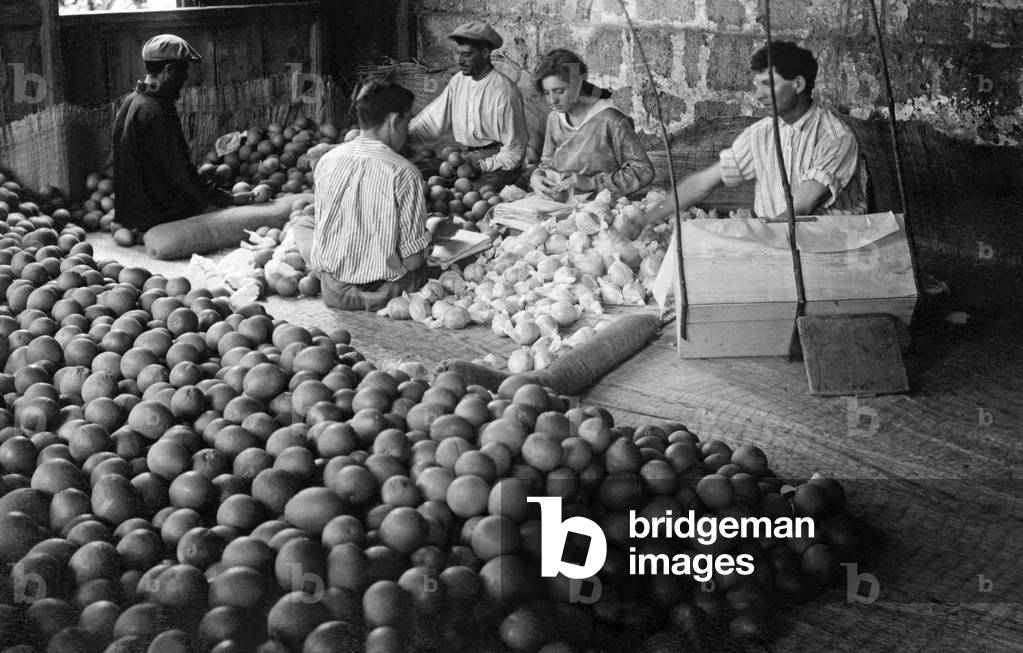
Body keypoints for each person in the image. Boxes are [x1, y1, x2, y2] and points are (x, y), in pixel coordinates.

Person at [620, 41, 867, 238]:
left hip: (831, 244)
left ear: (798, 84)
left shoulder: (836, 137)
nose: (759, 95)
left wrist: (750, 243)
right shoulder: (762, 133)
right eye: (757, 85)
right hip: (777, 237)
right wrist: (647, 218)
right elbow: (702, 183)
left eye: (767, 85)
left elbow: (799, 209)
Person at [293, 80, 431, 311]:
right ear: (394, 120)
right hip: (388, 293)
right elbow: (412, 261)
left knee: (303, 224)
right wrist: (430, 237)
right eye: (408, 120)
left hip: (334, 292)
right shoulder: (405, 172)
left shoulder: (327, 161)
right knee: (435, 258)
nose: (408, 129)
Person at [111, 34, 229, 234]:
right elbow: (177, 172)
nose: (185, 80)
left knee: (209, 176)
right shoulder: (155, 111)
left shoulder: (132, 100)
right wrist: (216, 200)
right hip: (155, 214)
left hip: (129, 211)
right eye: (184, 72)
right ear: (170, 71)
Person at [407, 21, 528, 189]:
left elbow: (515, 151)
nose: (459, 61)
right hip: (463, 157)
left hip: (497, 160)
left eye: (467, 54)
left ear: (485, 53)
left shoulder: (505, 92)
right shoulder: (458, 81)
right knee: (413, 172)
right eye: (458, 54)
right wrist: (404, 137)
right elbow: (432, 120)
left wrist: (481, 166)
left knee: (472, 193)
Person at [530, 49, 654, 199]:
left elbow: (643, 171)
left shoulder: (611, 120)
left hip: (604, 206)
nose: (552, 100)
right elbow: (548, 164)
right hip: (563, 204)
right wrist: (537, 177)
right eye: (547, 93)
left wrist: (591, 183)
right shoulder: (554, 119)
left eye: (559, 91)